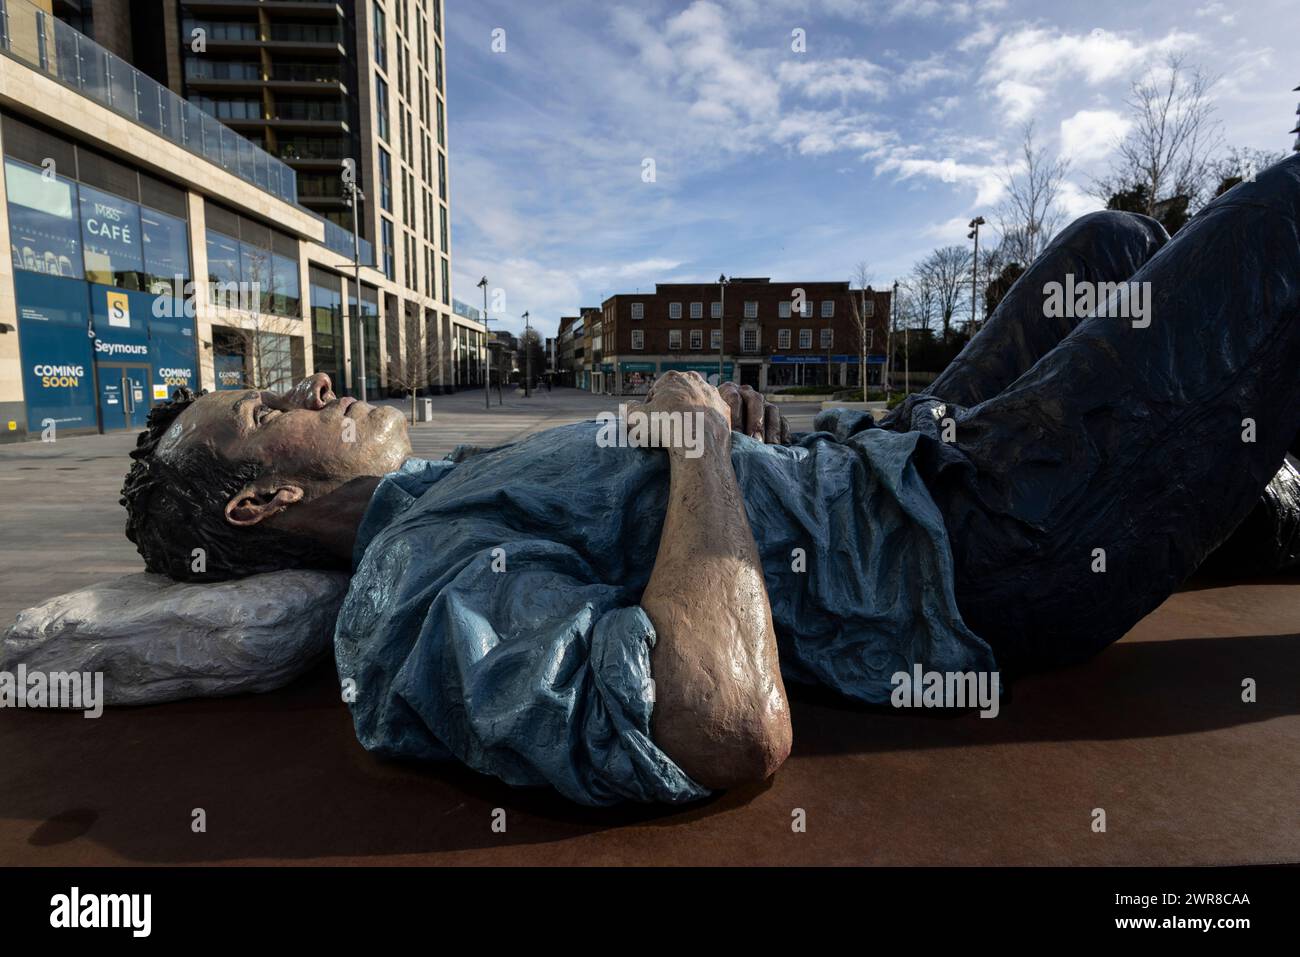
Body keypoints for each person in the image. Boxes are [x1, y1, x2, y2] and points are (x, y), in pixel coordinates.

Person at [121, 155, 1300, 805]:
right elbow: (718, 723)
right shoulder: (411, 581)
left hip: (902, 456)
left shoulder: (442, 485)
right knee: (1284, 218)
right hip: (965, 544)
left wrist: (759, 437)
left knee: (1107, 246)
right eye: (273, 410)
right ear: (256, 503)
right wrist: (696, 452)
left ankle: (1251, 506)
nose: (318, 386)